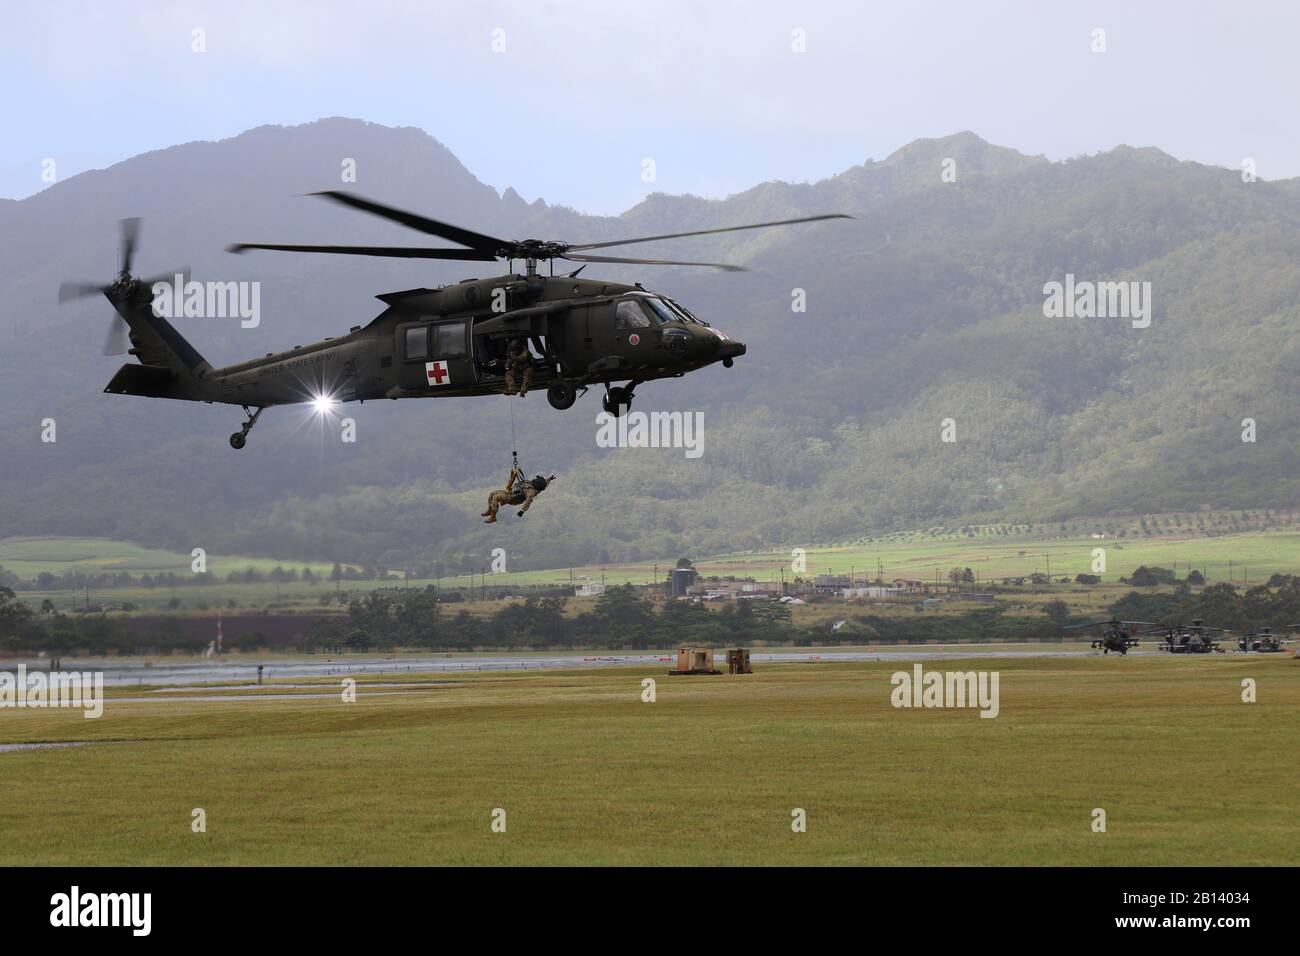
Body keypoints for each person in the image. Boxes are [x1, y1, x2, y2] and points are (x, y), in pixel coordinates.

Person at [481, 466, 553, 523]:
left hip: (513, 499)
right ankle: (490, 510)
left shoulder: (531, 491)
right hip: (511, 492)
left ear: (537, 484)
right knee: (492, 494)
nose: (535, 479)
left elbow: (528, 501)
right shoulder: (530, 483)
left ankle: (493, 517)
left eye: (536, 480)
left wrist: (522, 511)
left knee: (496, 497)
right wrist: (549, 479)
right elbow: (545, 483)